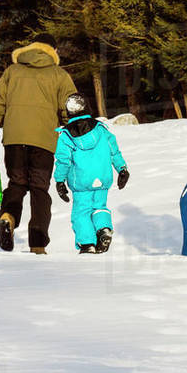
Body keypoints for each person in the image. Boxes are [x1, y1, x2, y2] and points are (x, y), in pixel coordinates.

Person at [0, 33, 76, 254]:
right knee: (39, 189)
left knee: (17, 184)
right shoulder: (59, 75)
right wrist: (71, 133)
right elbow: (69, 107)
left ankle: (8, 217)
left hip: (14, 139)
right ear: (53, 51)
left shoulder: (12, 71)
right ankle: (38, 244)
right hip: (43, 141)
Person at [52, 93, 130, 254]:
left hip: (81, 182)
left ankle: (87, 244)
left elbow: (63, 161)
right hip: (102, 178)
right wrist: (122, 169)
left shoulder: (66, 136)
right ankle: (104, 229)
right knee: (99, 206)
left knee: (81, 213)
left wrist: (60, 181)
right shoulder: (101, 129)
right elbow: (113, 150)